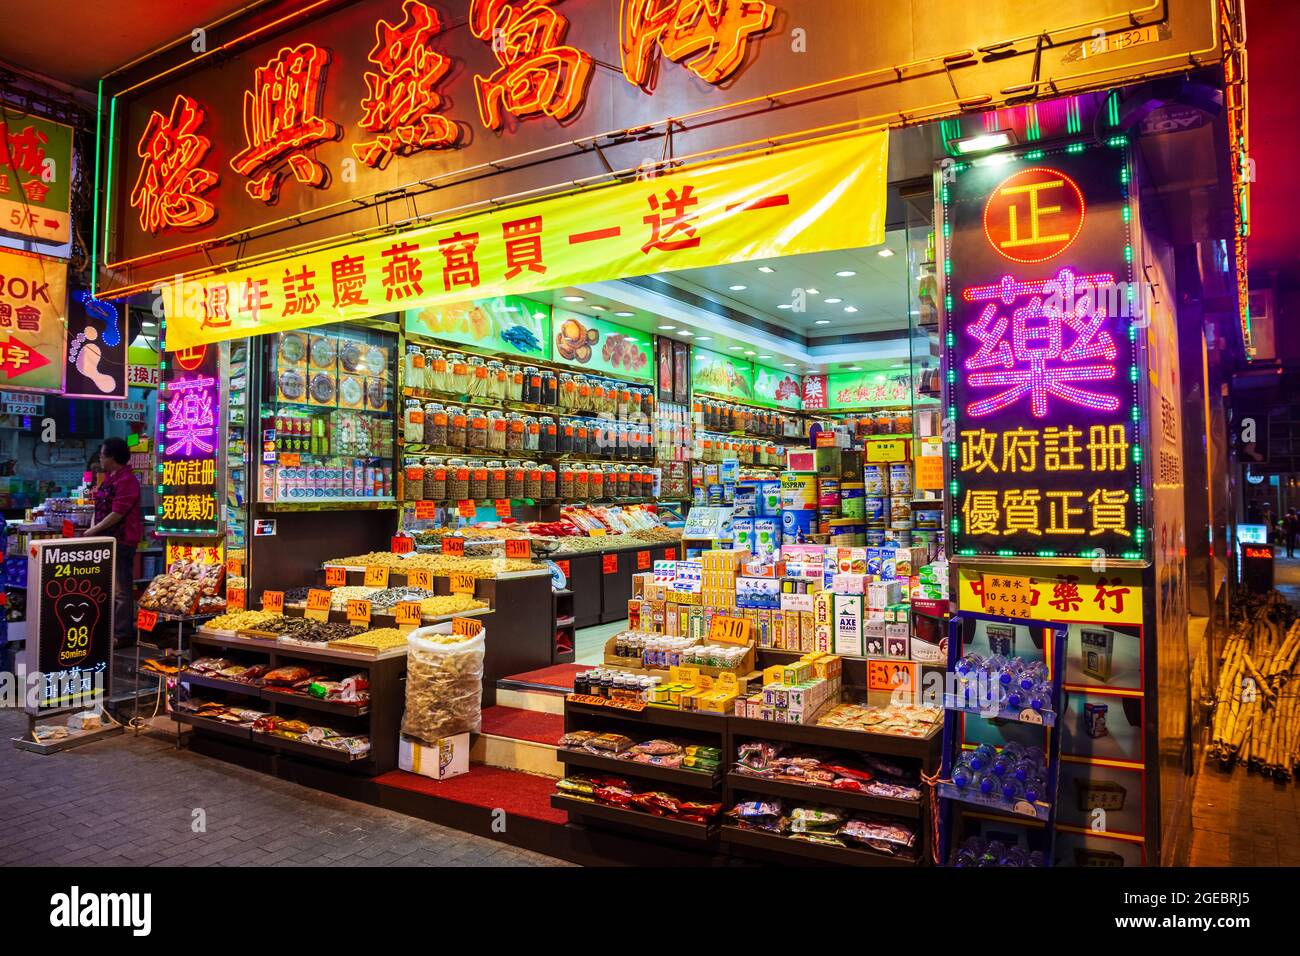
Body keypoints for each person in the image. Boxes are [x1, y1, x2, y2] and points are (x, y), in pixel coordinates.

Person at [83, 437, 142, 648]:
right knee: (108, 588)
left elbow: (118, 512)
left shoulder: (127, 480)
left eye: (102, 455)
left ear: (112, 457)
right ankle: (108, 630)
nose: (100, 458)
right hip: (105, 540)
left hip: (122, 540)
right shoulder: (109, 478)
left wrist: (94, 531)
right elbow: (100, 507)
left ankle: (123, 634)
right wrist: (94, 528)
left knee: (121, 590)